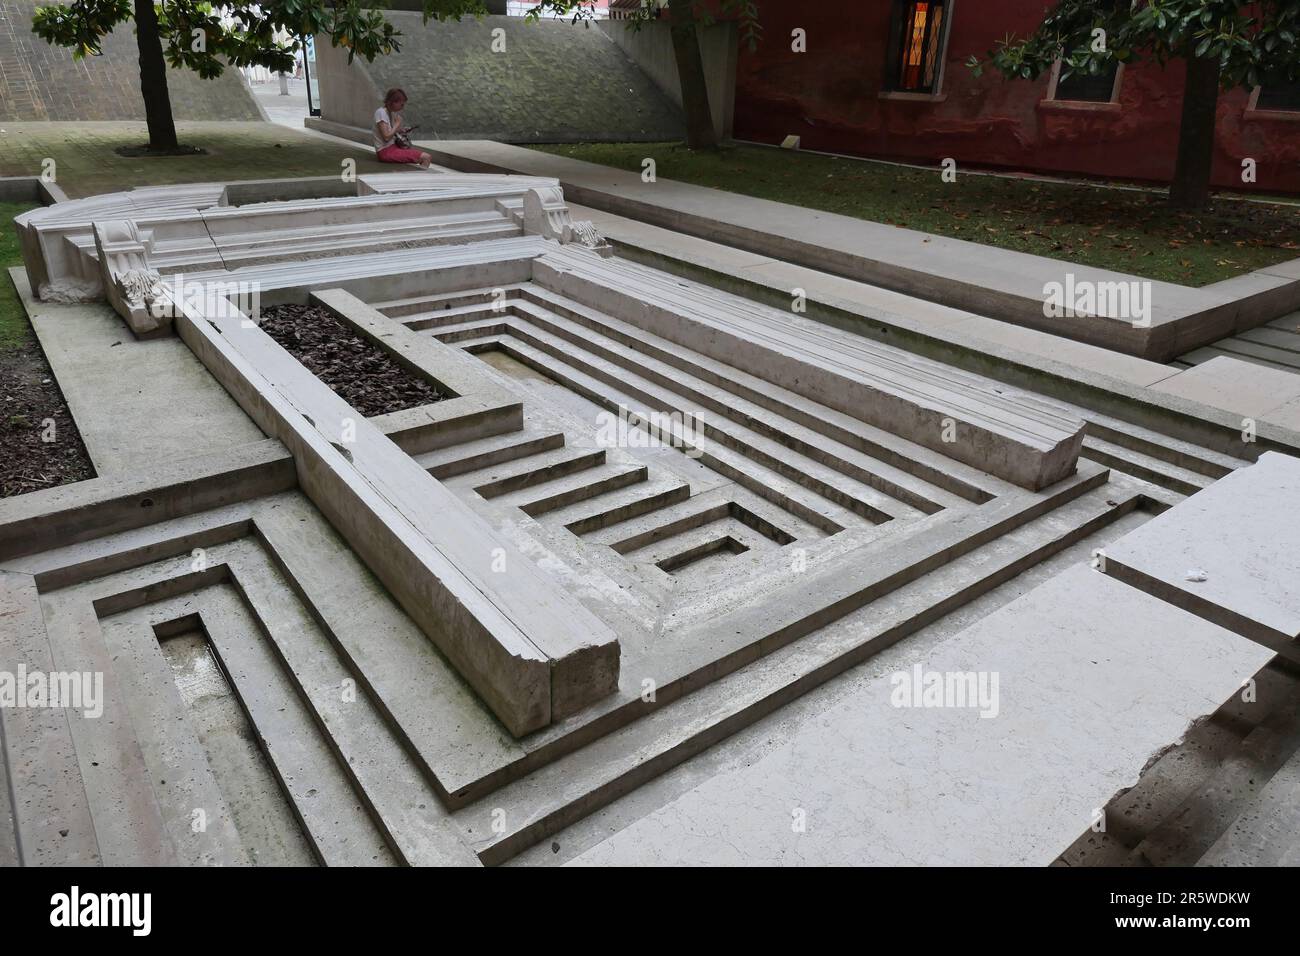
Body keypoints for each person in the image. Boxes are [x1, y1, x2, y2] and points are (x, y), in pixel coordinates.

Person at [374, 88, 432, 168]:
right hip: (385, 151)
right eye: (401, 104)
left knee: (422, 156)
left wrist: (401, 130)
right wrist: (397, 124)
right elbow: (386, 137)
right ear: (394, 102)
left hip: (392, 147)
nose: (402, 107)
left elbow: (391, 132)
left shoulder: (390, 113)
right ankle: (419, 179)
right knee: (426, 157)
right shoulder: (381, 113)